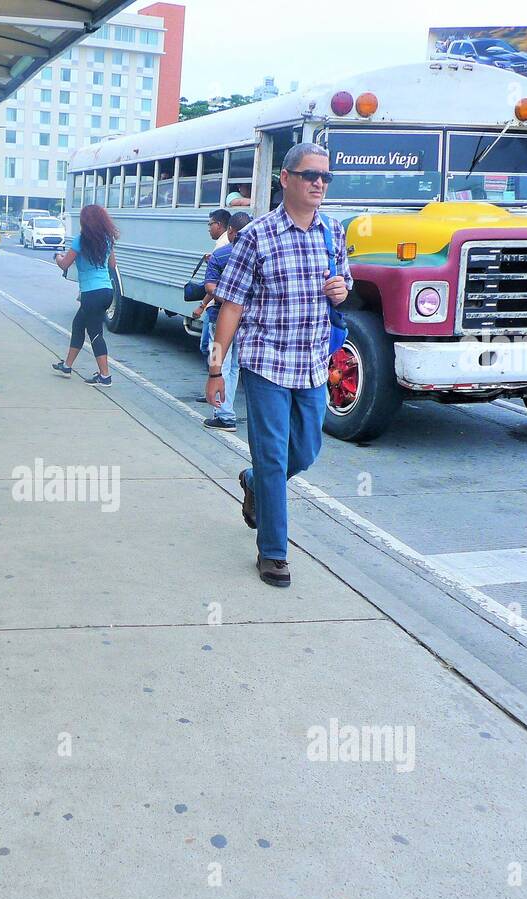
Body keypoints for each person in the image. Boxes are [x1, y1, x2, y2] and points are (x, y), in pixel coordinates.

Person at [209, 143, 351, 588]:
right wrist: (216, 369)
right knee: (273, 456)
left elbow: (345, 283)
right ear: (285, 178)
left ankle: (253, 482)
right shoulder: (258, 235)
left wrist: (341, 290)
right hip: (266, 362)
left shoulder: (333, 232)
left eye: (325, 177)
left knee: (305, 451)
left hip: (311, 363)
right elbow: (230, 305)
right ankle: (274, 553)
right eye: (310, 175)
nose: (319, 184)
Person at [50, 203, 118, 387]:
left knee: (95, 333)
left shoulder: (80, 240)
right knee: (78, 324)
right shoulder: (107, 239)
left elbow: (65, 265)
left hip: (91, 292)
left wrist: (57, 256)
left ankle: (105, 375)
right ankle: (67, 365)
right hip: (106, 291)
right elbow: (112, 265)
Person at [194, 210, 251, 432]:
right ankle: (226, 411)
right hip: (245, 323)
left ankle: (224, 415)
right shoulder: (256, 254)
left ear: (230, 231)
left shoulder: (220, 255)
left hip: (220, 322)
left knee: (218, 364)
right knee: (234, 366)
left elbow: (209, 287)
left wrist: (228, 299)